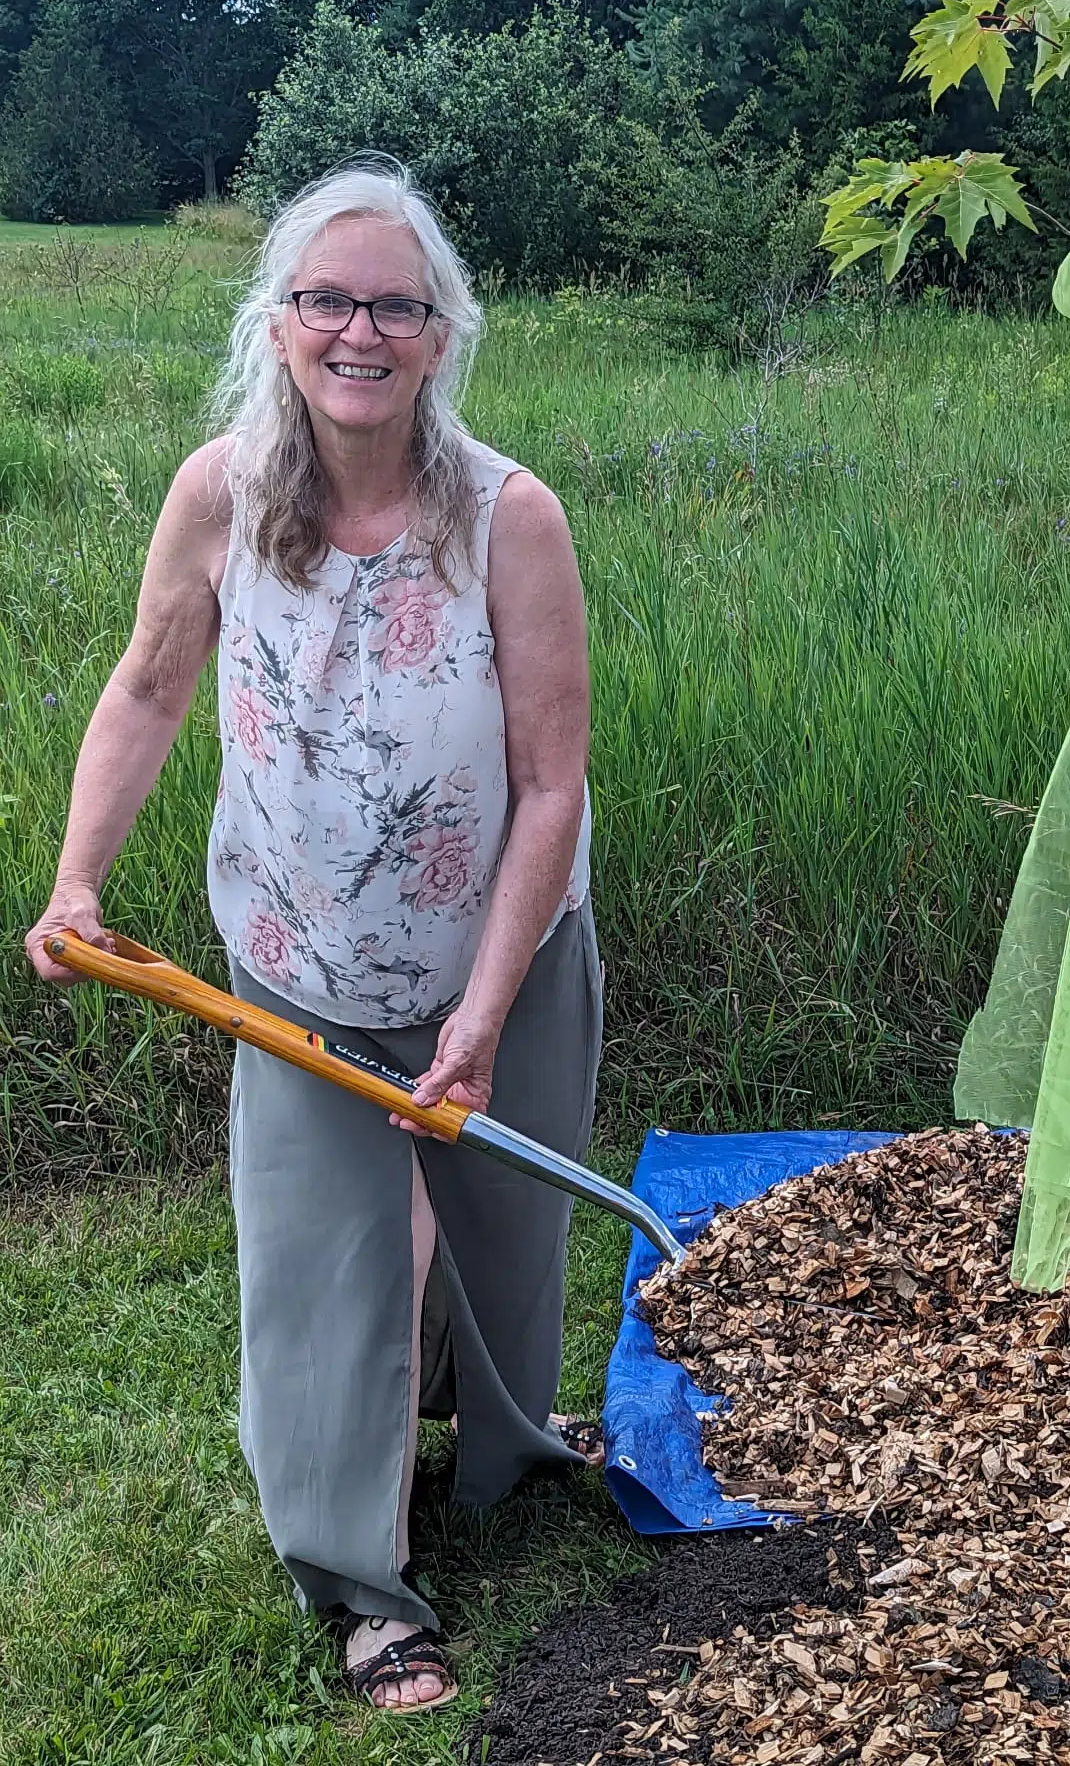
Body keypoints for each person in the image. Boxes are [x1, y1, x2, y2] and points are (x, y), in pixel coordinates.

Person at [25, 157, 601, 1715]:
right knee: (328, 1266)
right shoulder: (221, 495)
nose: (361, 332)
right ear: (280, 322)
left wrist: (485, 1013)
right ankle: (361, 1581)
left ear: (439, 335)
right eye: (328, 301)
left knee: (504, 1235)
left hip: (504, 952)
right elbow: (149, 686)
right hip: (299, 965)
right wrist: (77, 882)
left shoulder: (510, 518)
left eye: (395, 308)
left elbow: (551, 784)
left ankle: (503, 1443)